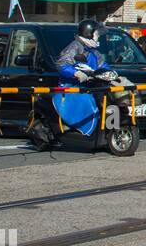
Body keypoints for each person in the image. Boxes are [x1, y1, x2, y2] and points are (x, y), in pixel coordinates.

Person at [29, 19, 118, 149]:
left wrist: (111, 73)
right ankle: (82, 132)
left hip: (89, 86)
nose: (98, 36)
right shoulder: (75, 47)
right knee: (87, 102)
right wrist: (75, 73)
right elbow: (61, 64)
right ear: (89, 33)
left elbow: (102, 65)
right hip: (71, 88)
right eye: (96, 34)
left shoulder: (93, 50)